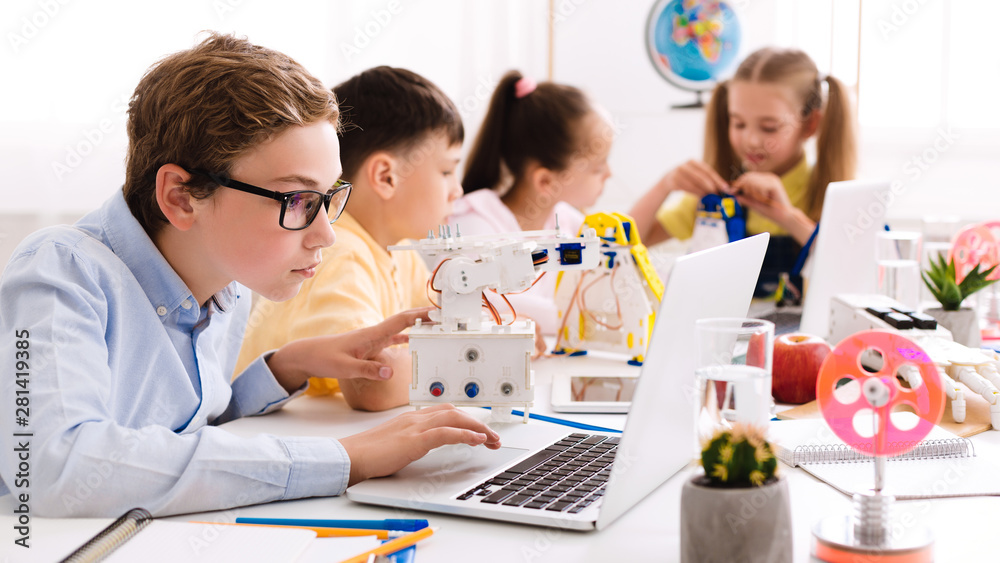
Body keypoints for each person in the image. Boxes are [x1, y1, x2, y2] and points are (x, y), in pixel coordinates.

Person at [0, 33, 499, 518]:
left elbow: (179, 428)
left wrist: (286, 367)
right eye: (299, 200)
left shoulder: (224, 284)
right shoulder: (61, 274)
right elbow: (56, 465)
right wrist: (346, 458)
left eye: (328, 198)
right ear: (180, 196)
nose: (327, 233)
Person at [235, 66, 464, 412]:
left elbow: (440, 322)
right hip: (269, 434)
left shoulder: (399, 252)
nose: (457, 190)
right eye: (446, 171)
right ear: (386, 176)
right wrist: (476, 359)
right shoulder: (341, 252)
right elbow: (372, 384)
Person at [629, 47, 857, 295]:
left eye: (769, 127)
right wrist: (665, 185)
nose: (751, 140)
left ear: (810, 124)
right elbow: (624, 243)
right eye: (738, 123)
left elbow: (850, 274)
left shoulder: (834, 197)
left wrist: (788, 217)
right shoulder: (715, 197)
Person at [450, 70, 614, 335]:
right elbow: (489, 303)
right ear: (546, 181)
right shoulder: (473, 223)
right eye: (597, 167)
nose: (610, 174)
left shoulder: (568, 221)